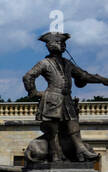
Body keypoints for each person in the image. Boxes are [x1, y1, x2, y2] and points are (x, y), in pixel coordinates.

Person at [22, 31, 108, 163]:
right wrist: (33, 92)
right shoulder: (44, 63)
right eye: (59, 42)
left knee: (73, 125)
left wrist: (101, 79)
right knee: (53, 130)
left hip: (67, 99)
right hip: (52, 99)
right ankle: (56, 154)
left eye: (64, 43)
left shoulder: (67, 63)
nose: (62, 45)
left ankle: (81, 149)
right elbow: (28, 76)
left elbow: (83, 76)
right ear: (51, 45)